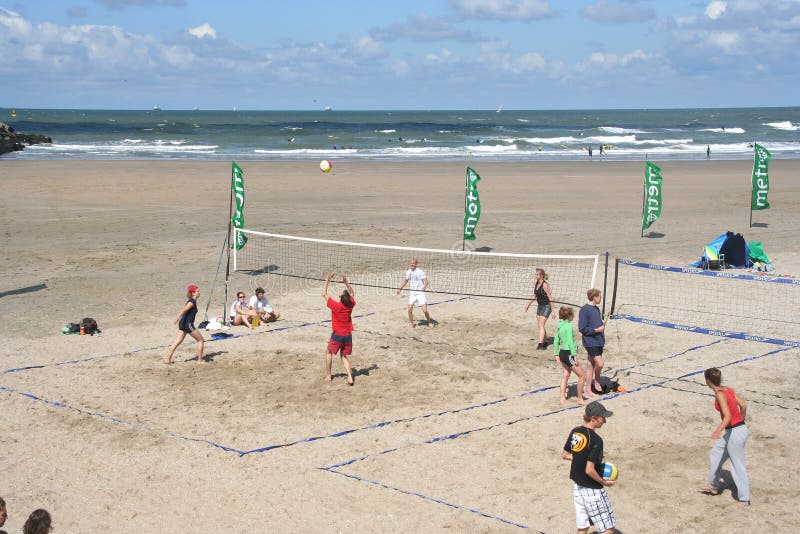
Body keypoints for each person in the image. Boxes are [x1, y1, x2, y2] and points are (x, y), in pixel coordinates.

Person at [562, 402, 617, 534]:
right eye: (602, 417)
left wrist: (584, 456)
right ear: (593, 418)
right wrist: (605, 483)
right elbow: (589, 470)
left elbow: (565, 455)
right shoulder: (597, 440)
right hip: (593, 491)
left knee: (583, 527)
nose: (605, 421)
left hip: (578, 488)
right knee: (608, 529)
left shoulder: (576, 431)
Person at [699, 367, 751, 507]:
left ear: (707, 381)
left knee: (737, 465)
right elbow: (743, 405)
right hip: (735, 430)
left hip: (735, 432)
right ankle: (714, 486)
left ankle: (744, 499)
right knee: (716, 454)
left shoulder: (720, 394)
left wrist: (717, 431)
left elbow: (727, 416)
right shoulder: (727, 389)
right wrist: (741, 420)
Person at [323, 272, 356, 386]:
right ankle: (350, 376)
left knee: (328, 352)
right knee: (343, 356)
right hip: (348, 335)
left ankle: (328, 376)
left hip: (337, 335)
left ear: (341, 298)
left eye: (342, 293)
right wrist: (346, 281)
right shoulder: (350, 304)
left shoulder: (336, 306)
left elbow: (324, 294)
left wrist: (327, 279)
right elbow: (352, 292)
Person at [164, 284, 205, 365]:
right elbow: (183, 310)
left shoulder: (191, 300)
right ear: (193, 293)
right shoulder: (192, 302)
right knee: (200, 340)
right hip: (188, 324)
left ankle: (167, 359)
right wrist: (176, 319)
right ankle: (200, 360)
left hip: (183, 323)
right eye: (198, 291)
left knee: (177, 342)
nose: (199, 292)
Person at [553, 306, 586, 405]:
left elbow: (556, 341)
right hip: (569, 355)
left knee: (566, 375)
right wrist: (574, 356)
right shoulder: (569, 326)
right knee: (582, 376)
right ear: (570, 316)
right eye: (573, 315)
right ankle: (580, 398)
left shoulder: (560, 325)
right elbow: (571, 343)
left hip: (562, 353)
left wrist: (556, 355)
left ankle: (562, 398)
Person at [578, 288, 605, 397]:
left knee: (590, 365)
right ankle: (597, 379)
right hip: (590, 341)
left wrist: (601, 327)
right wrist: (597, 330)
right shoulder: (585, 309)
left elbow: (597, 322)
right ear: (594, 297)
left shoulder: (596, 309)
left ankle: (588, 390)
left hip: (598, 341)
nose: (600, 298)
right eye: (599, 296)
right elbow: (582, 328)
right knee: (600, 364)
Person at [524, 267, 556, 349]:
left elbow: (550, 298)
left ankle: (541, 344)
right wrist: (528, 304)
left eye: (537, 274)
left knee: (541, 325)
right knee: (540, 325)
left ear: (542, 276)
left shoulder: (545, 285)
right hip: (540, 306)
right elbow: (534, 295)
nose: (536, 275)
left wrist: (553, 310)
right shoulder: (537, 283)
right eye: (536, 274)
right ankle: (545, 341)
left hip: (546, 306)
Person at [397, 258, 433, 328]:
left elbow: (426, 282)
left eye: (413, 263)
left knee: (425, 310)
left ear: (416, 264)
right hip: (412, 293)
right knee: (409, 309)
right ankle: (411, 323)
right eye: (411, 263)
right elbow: (405, 281)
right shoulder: (408, 272)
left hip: (420, 293)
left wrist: (424, 287)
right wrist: (399, 289)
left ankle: (429, 321)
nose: (412, 264)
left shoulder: (420, 272)